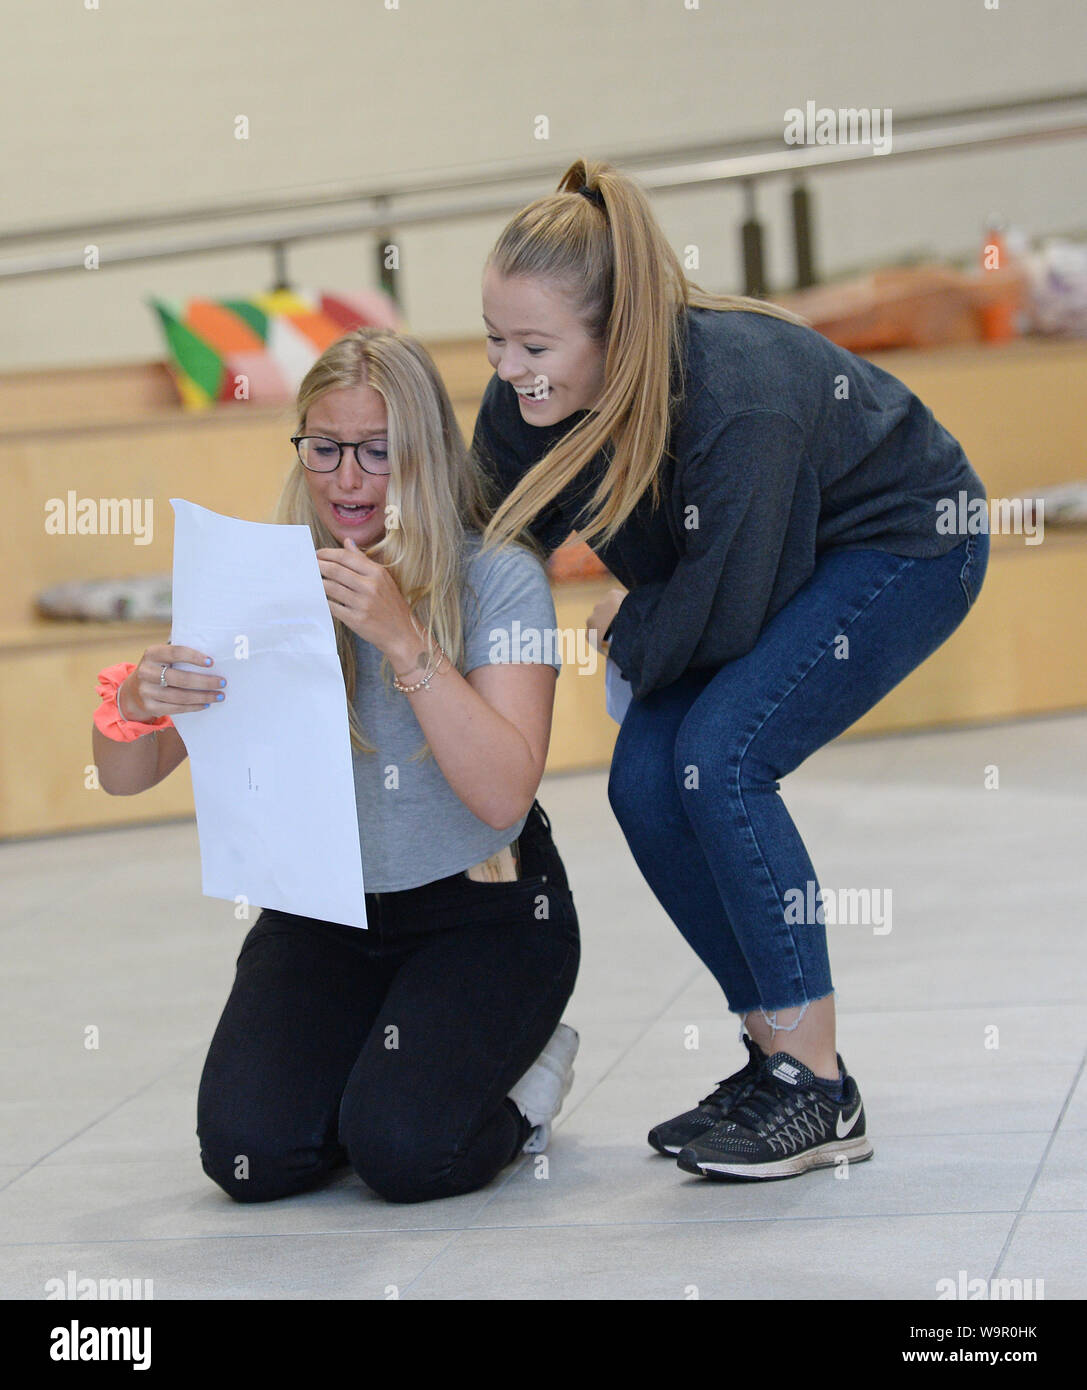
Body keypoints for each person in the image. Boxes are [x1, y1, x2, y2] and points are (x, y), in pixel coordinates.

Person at [471, 158, 990, 1183]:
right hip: (757, 564)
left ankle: (818, 1084)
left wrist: (634, 620)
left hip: (906, 539)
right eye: (493, 339)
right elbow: (474, 537)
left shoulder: (737, 395)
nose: (510, 368)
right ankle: (772, 1057)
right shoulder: (521, 403)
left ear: (615, 338)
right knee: (640, 784)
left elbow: (734, 603)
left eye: (534, 345)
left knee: (719, 758)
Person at [92, 327, 580, 1204]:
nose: (347, 479)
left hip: (486, 907)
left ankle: (527, 1080)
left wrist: (402, 638)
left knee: (403, 1155)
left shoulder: (497, 575)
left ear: (425, 454)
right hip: (326, 909)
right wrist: (133, 705)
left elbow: (506, 788)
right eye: (324, 449)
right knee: (249, 1157)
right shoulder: (263, 581)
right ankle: (386, 1058)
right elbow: (127, 776)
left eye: (377, 453)